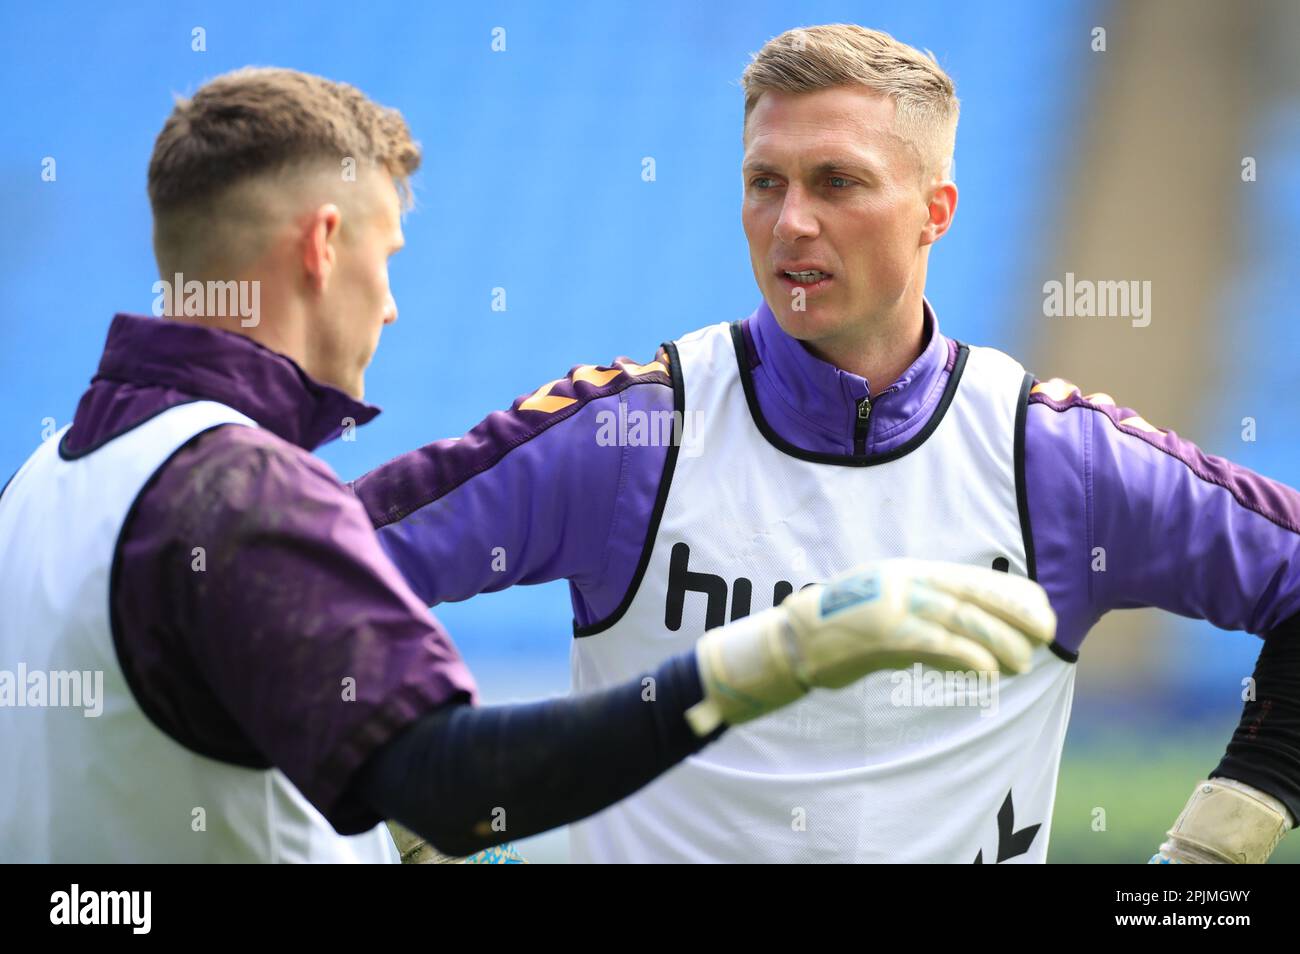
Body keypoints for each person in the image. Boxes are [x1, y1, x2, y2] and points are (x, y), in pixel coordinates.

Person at [0, 65, 1054, 863]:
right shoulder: (243, 489)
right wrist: (766, 659)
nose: (392, 300)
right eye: (387, 255)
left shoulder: (46, 479)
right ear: (324, 247)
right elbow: (450, 781)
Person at [352, 25, 1300, 863]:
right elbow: (284, 575)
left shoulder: (1054, 458)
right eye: (766, 182)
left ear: (937, 210)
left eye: (838, 181)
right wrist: (436, 817)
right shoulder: (629, 437)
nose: (791, 220)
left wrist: (1222, 843)